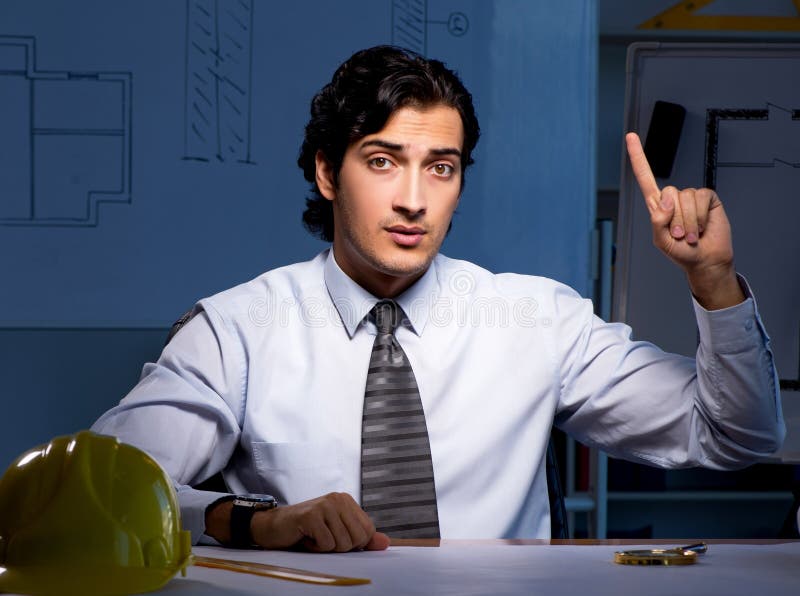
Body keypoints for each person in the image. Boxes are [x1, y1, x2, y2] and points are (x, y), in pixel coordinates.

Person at [92, 45, 784, 552]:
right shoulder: (238, 329)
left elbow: (739, 436)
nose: (415, 200)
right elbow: (103, 490)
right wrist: (249, 518)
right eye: (383, 161)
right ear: (328, 172)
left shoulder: (537, 319)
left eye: (441, 168)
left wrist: (713, 281)